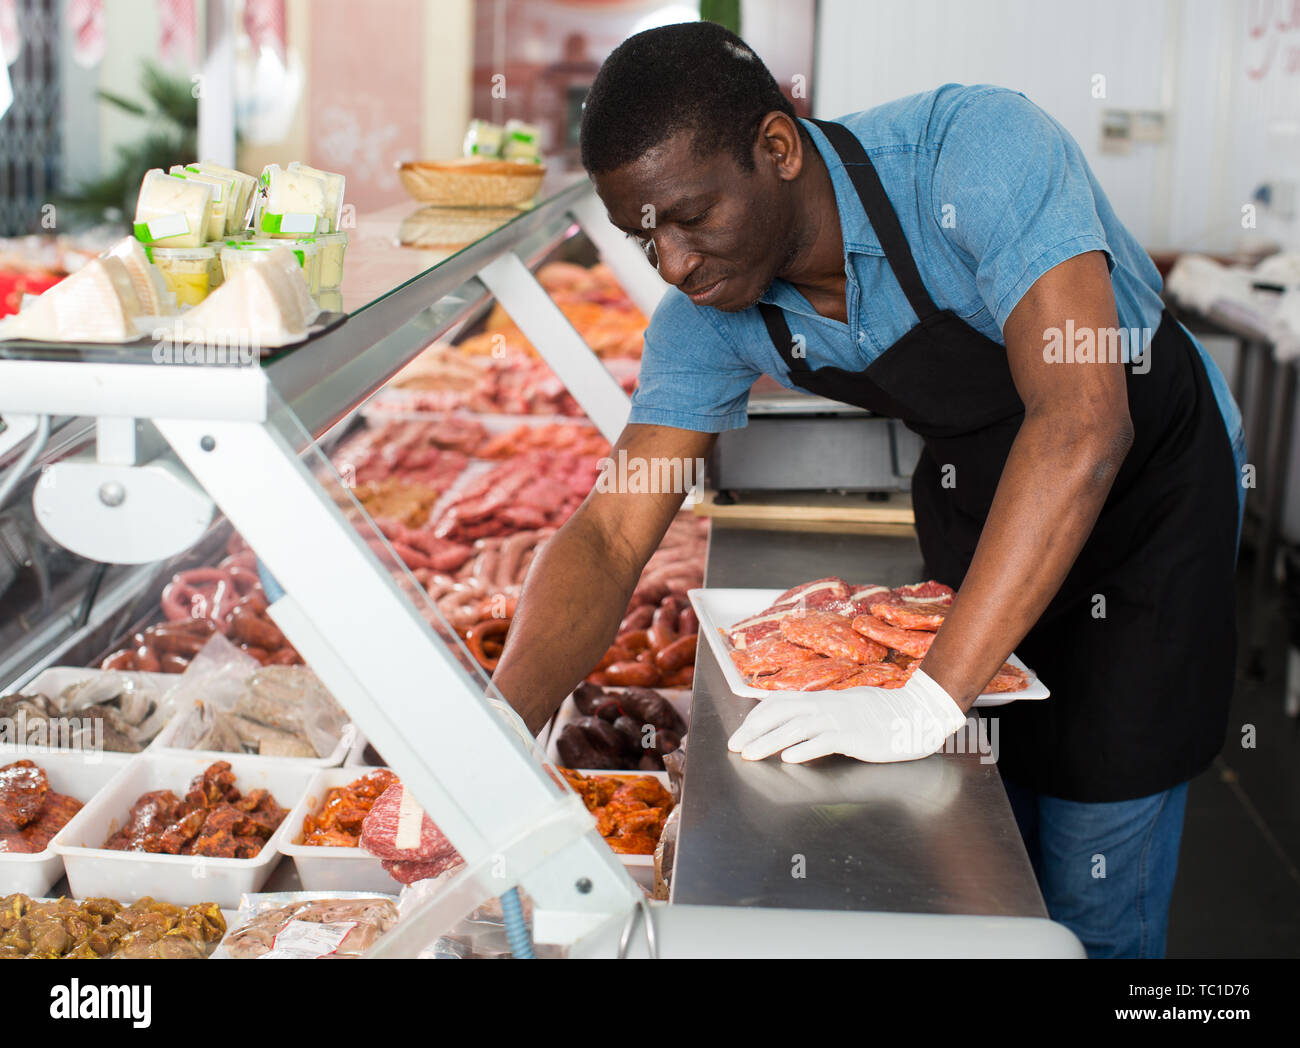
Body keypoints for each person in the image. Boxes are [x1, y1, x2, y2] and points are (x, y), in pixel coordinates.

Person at [492, 22, 1247, 959]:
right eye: (645, 238)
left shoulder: (969, 154)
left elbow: (1082, 423)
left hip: (1145, 509)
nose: (674, 266)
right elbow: (611, 534)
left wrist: (926, 702)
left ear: (777, 146)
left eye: (691, 218)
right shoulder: (711, 315)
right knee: (985, 865)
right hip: (990, 509)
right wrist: (493, 731)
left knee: (1094, 883)